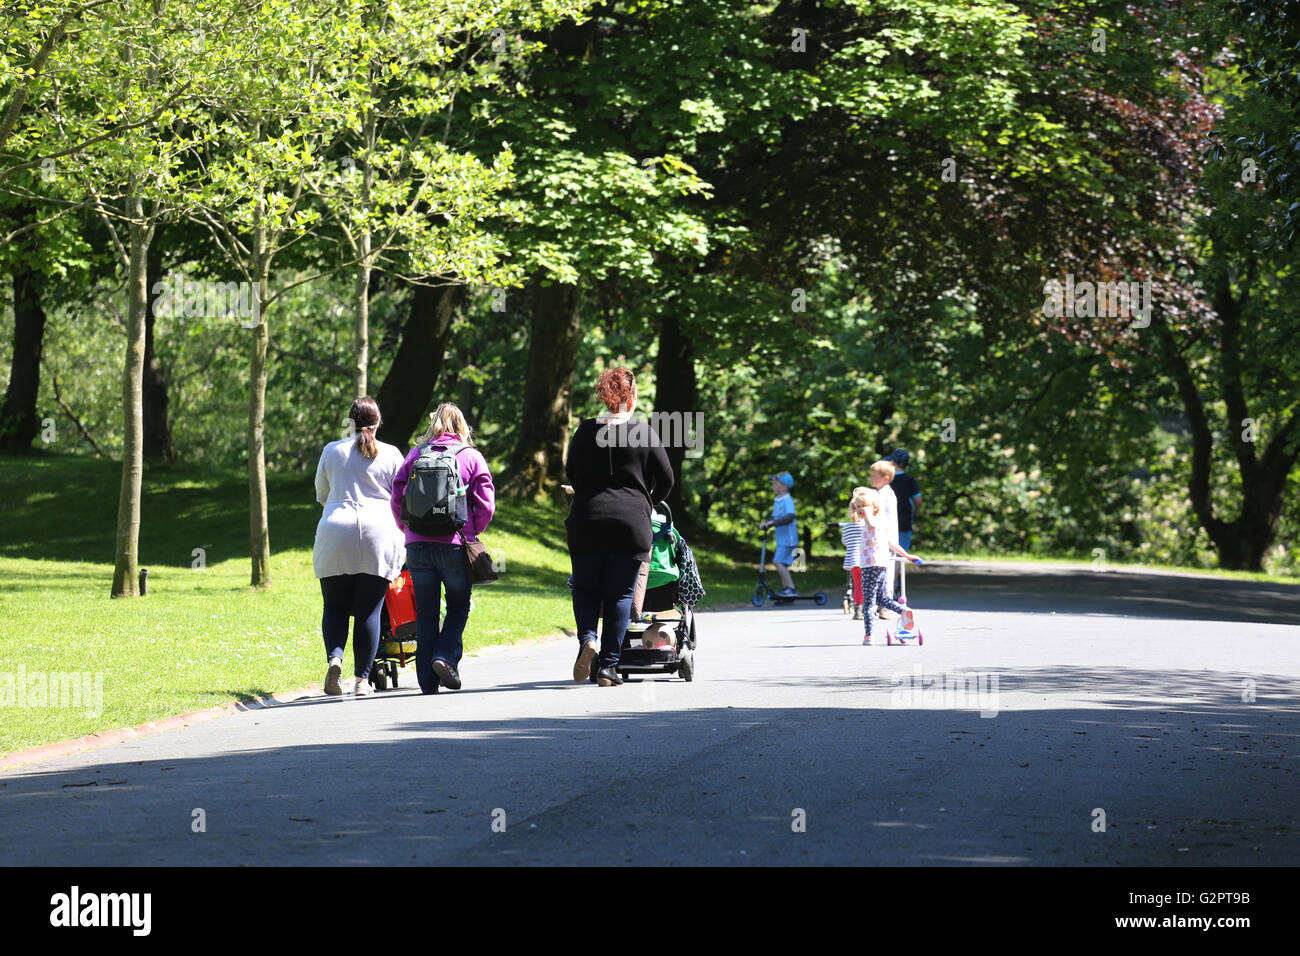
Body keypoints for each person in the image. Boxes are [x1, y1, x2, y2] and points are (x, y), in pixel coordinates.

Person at [565, 367, 673, 687]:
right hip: (631, 523)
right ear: (633, 395)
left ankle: (588, 640)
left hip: (587, 519)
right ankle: (608, 668)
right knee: (621, 593)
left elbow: (573, 473)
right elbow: (667, 479)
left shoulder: (585, 431)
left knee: (584, 586)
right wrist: (646, 502)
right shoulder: (643, 431)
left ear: (603, 395)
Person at [390, 402, 495, 695]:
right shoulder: (470, 456)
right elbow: (486, 504)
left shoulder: (414, 455)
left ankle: (427, 681)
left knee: (425, 612)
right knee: (459, 605)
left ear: (433, 424)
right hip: (455, 544)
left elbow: (397, 498)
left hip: (417, 545)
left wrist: (407, 530)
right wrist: (472, 531)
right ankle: (445, 656)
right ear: (461, 427)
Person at [313, 397, 406, 696]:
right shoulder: (392, 454)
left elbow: (322, 494)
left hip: (335, 531)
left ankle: (335, 660)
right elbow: (401, 499)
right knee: (369, 610)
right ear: (378, 422)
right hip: (379, 534)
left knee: (335, 606)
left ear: (350, 422)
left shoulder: (331, 450)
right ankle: (362, 681)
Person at [855, 486, 920, 645]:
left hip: (871, 566)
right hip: (880, 565)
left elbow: (872, 525)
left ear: (874, 507)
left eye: (863, 506)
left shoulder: (874, 522)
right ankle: (904, 611)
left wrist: (868, 513)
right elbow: (892, 544)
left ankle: (869, 635)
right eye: (858, 506)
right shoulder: (878, 522)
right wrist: (907, 556)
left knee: (869, 602)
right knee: (881, 598)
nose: (860, 509)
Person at [759, 472, 798, 596]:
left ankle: (791, 589)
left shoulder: (787, 500)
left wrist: (772, 524)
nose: (773, 485)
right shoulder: (778, 500)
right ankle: (787, 589)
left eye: (776, 483)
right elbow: (774, 517)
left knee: (778, 562)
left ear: (784, 486)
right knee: (782, 564)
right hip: (782, 539)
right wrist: (766, 523)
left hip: (788, 539)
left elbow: (790, 517)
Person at [868, 459, 900, 609]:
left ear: (885, 478)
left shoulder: (886, 494)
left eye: (874, 476)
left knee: (886, 568)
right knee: (880, 568)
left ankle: (886, 602)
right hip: (881, 536)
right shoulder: (879, 493)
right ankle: (881, 601)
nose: (871, 478)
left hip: (886, 537)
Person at [889, 449, 922, 552]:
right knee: (901, 553)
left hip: (887, 521)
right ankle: (899, 568)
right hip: (905, 520)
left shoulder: (885, 479)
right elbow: (918, 501)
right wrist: (915, 513)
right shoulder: (909, 480)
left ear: (892, 462)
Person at [840, 495, 865, 620]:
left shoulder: (847, 527)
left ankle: (858, 610)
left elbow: (845, 541)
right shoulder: (866, 526)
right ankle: (870, 607)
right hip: (866, 560)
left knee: (858, 586)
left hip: (853, 561)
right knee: (868, 585)